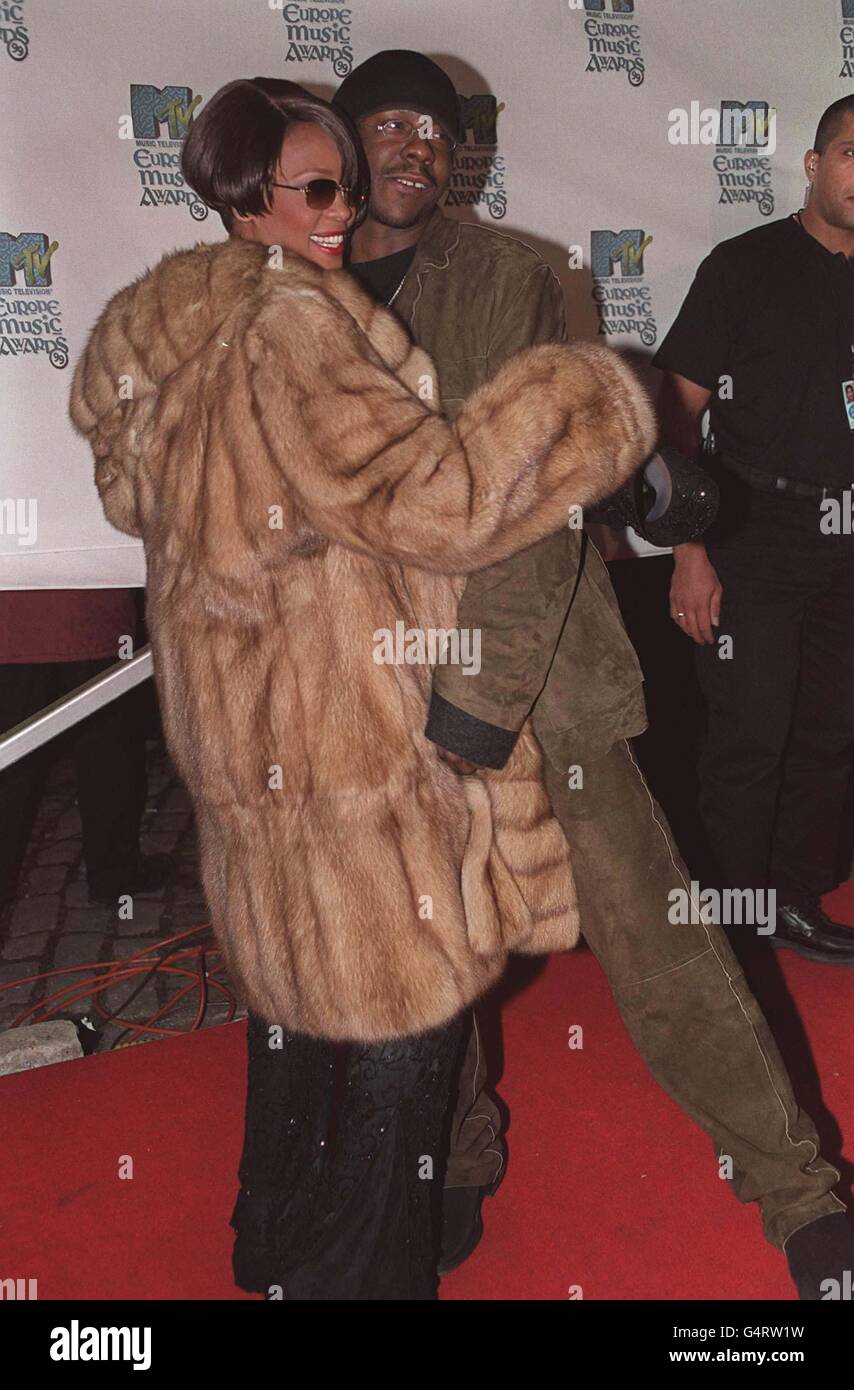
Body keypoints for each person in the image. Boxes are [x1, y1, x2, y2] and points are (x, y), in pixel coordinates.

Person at [69, 75, 655, 1299]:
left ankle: (271, 1240)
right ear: (246, 197)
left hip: (247, 746)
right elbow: (433, 501)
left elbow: (143, 497)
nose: (342, 211)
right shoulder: (290, 328)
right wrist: (587, 402)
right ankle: (358, 1277)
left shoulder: (158, 331)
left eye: (343, 179)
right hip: (349, 744)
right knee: (401, 1019)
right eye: (315, 187)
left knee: (294, 1003)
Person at [335, 50, 854, 1298]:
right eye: (385, 126)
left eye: (434, 130)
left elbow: (535, 504)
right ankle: (456, 1152)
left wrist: (475, 699)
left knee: (659, 937)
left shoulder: (514, 278)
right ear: (344, 146)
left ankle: (797, 1191)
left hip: (539, 669)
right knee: (427, 935)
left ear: (459, 156)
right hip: (372, 677)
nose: (413, 147)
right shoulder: (295, 298)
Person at [655, 95, 854, 967]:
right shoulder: (745, 267)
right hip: (750, 533)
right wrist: (689, 548)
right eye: (853, 153)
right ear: (812, 166)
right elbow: (672, 418)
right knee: (751, 737)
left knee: (831, 732)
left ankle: (797, 900)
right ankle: (732, 931)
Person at [0, 587, 170, 909]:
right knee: (108, 750)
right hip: (88, 615)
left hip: (14, 618)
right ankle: (114, 872)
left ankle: (114, 870)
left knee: (13, 764)